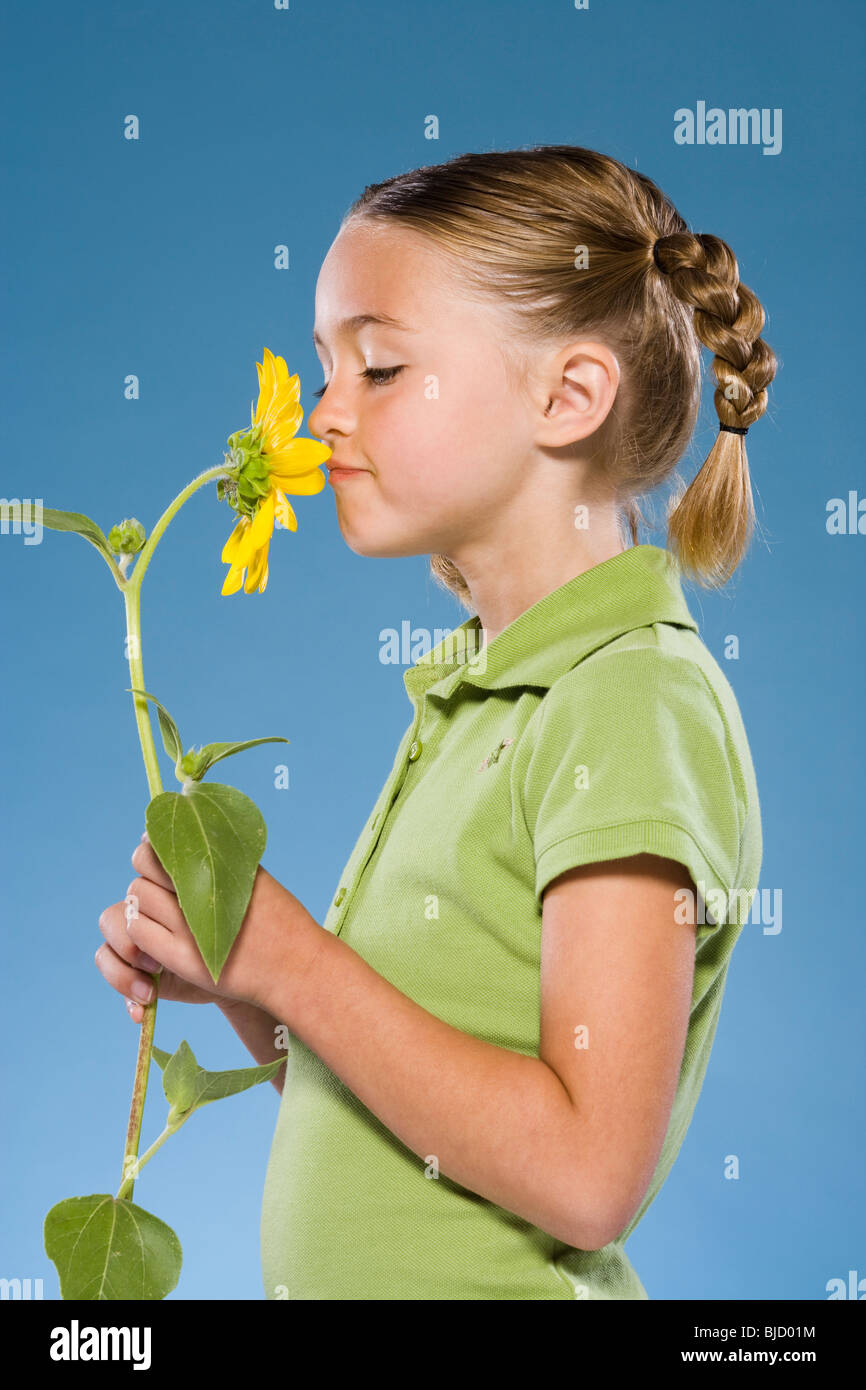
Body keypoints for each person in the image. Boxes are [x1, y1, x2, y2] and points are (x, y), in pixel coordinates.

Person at [96, 144, 776, 1300]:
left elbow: (582, 1172)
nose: (321, 418)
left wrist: (300, 967)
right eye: (324, 370)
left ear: (565, 396)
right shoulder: (475, 696)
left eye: (381, 367)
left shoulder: (623, 698)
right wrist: (252, 985)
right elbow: (407, 1131)